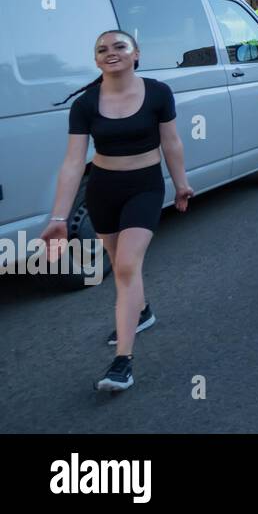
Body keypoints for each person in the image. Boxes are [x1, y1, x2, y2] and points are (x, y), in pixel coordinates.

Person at [45, 30, 194, 393]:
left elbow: (171, 141)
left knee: (126, 265)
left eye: (119, 47)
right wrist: (58, 218)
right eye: (102, 49)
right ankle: (142, 311)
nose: (110, 53)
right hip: (103, 190)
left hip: (144, 186)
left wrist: (180, 183)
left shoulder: (158, 92)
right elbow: (71, 162)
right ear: (96, 60)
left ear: (136, 54)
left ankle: (122, 362)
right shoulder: (85, 104)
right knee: (119, 263)